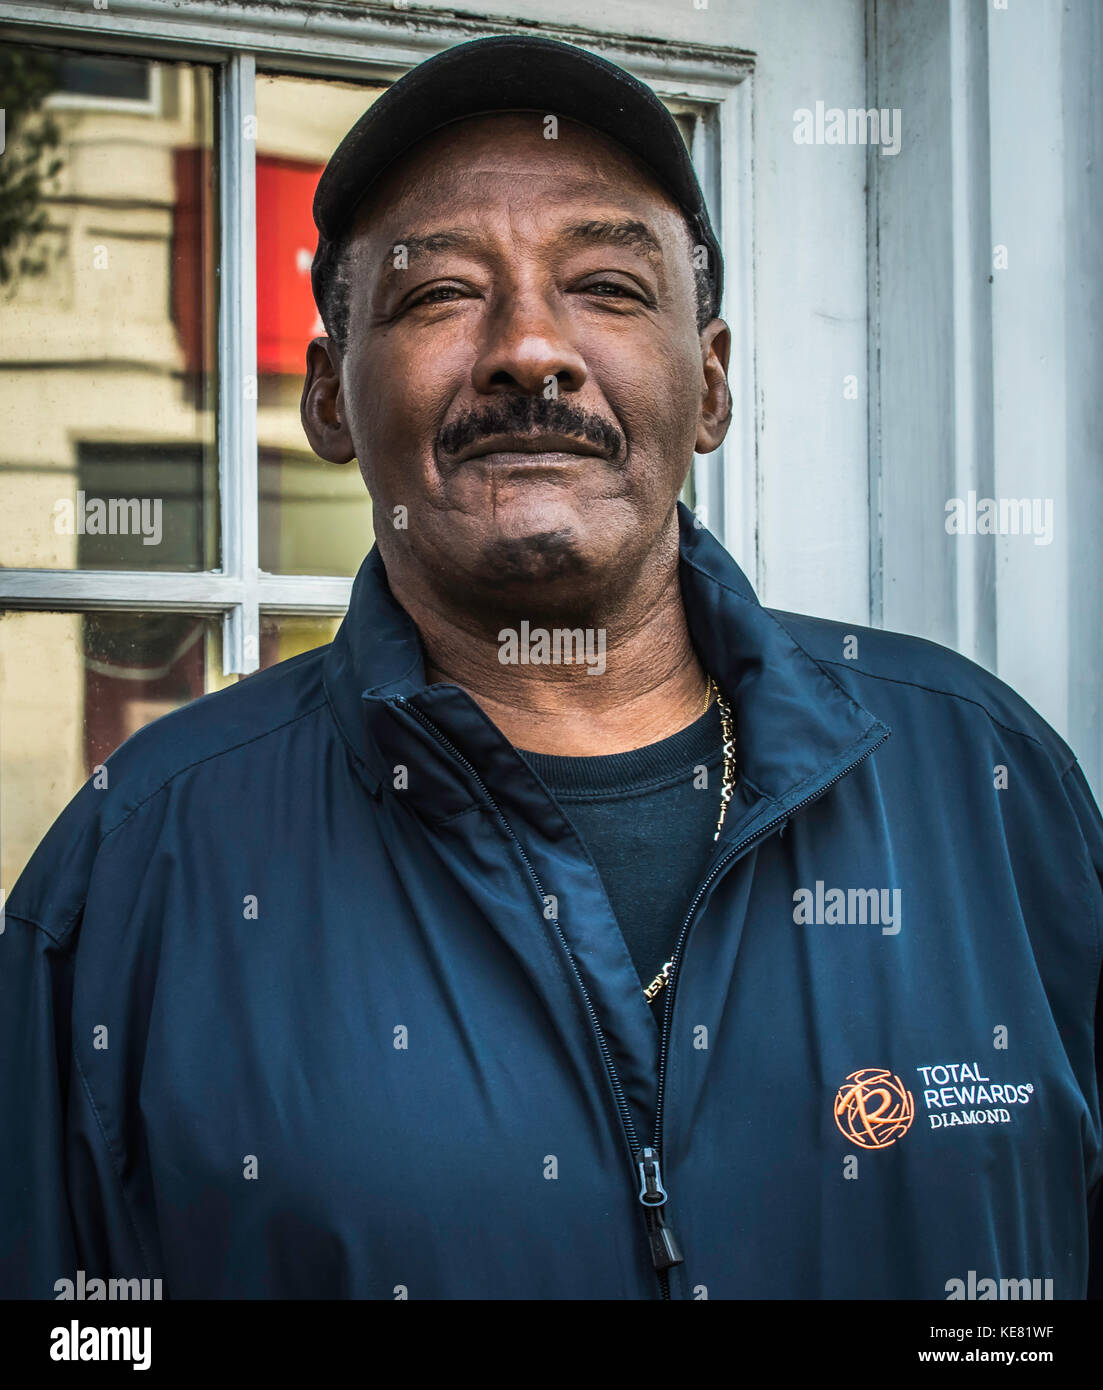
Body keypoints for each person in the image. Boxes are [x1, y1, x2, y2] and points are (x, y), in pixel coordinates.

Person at [2, 34, 1100, 1301]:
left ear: (710, 384)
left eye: (609, 288)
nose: (530, 348)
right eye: (437, 294)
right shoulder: (138, 862)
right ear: (328, 401)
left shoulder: (988, 780)